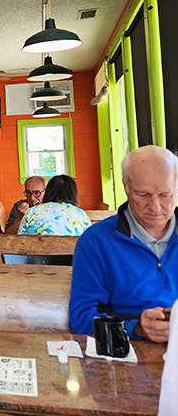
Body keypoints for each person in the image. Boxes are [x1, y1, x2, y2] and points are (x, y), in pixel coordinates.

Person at [69, 145, 178, 343]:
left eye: (165, 194)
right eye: (143, 195)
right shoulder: (95, 242)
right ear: (126, 187)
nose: (155, 206)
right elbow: (81, 317)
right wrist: (136, 328)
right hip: (130, 355)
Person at [18, 174, 91, 236]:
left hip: (37, 252)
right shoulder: (80, 214)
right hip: (71, 252)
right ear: (73, 194)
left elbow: (20, 240)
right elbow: (89, 239)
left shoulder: (31, 212)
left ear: (48, 192)